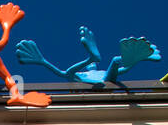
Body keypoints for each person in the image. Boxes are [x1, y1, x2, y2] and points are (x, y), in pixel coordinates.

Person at [15, 27, 159, 85]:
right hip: (102, 81)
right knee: (115, 60)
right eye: (92, 63)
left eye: (92, 63)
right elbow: (67, 74)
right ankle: (91, 57)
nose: (92, 67)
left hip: (104, 80)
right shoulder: (84, 74)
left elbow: (64, 73)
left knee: (115, 61)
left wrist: (42, 62)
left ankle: (91, 57)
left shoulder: (92, 73)